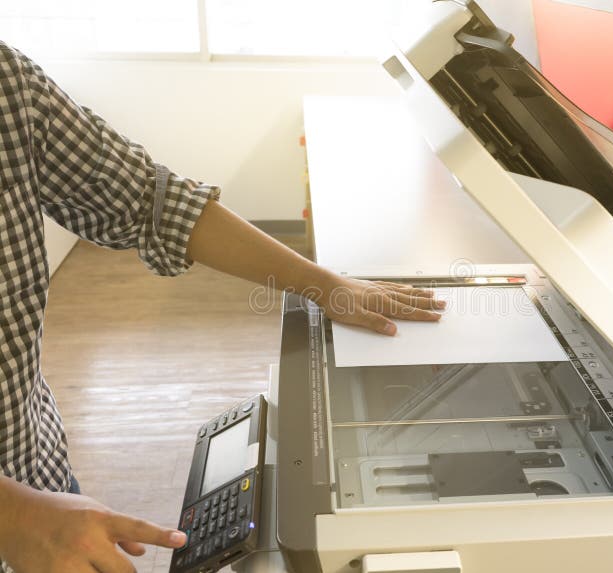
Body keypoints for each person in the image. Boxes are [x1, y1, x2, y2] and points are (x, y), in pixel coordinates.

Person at [0, 42, 444, 573]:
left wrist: (324, 285)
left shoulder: (8, 82)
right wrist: (14, 517)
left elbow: (151, 200)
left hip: (35, 466)